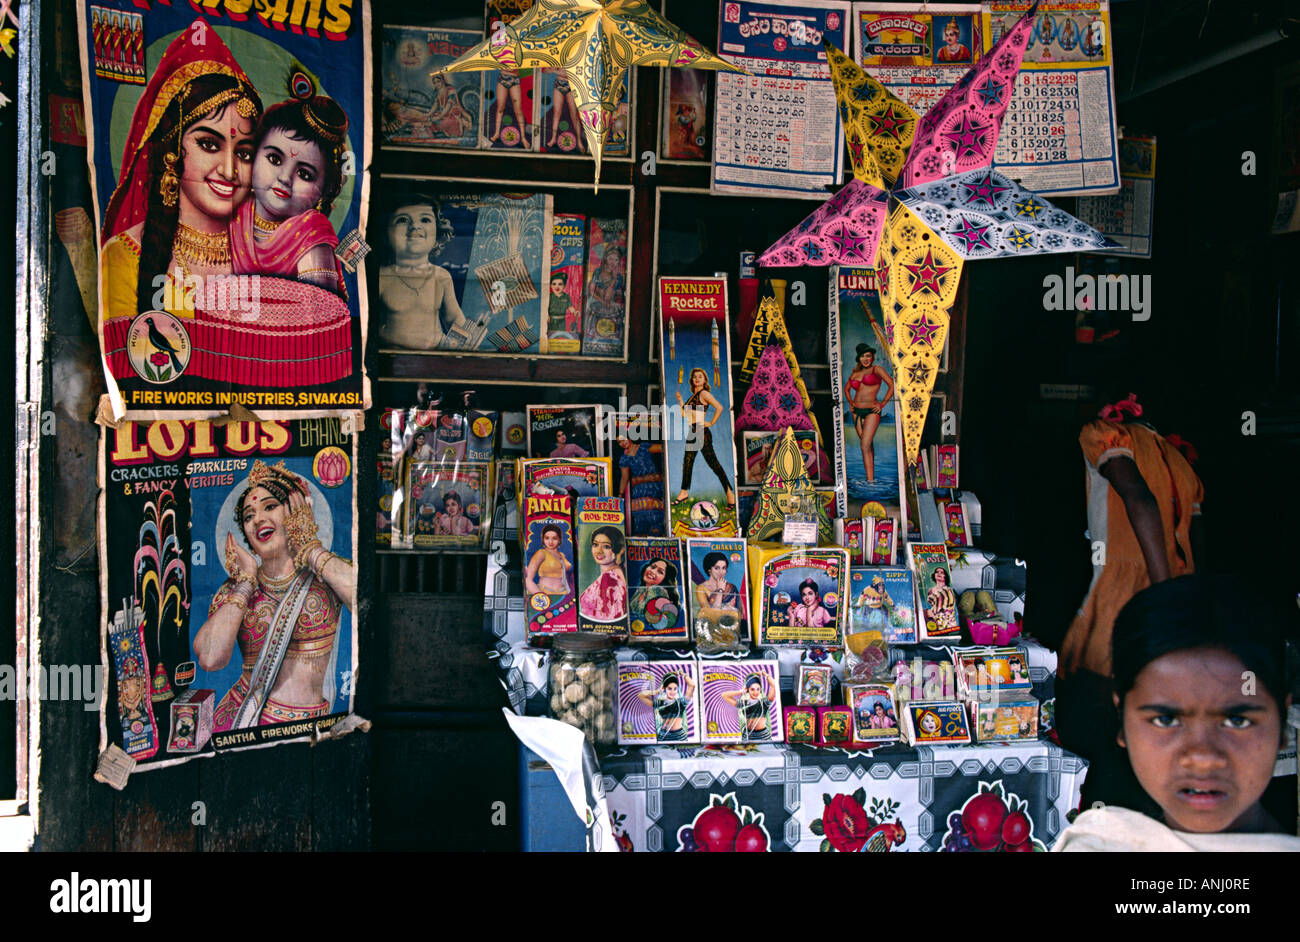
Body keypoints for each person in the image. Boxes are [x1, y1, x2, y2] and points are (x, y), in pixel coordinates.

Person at [1053, 576, 1300, 851]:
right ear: (1122, 719)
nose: (1202, 759)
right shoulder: (1096, 845)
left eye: (1237, 721)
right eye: (1166, 720)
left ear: (1282, 723)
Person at [1056, 394, 1204, 795]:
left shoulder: (1105, 434)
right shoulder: (1179, 458)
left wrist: (1161, 594)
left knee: (1100, 724)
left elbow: (1138, 497)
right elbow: (1196, 538)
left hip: (1125, 593)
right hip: (1181, 592)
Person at [98, 24, 263, 374]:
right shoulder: (125, 256)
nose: (230, 170)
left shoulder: (275, 255)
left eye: (245, 153)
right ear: (172, 152)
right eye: (209, 144)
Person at [195, 460, 353, 730]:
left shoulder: (326, 574)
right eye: (248, 516)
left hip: (307, 725)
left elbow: (365, 602)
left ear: (296, 512)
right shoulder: (236, 588)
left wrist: (311, 548)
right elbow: (210, 659)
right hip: (242, 721)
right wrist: (246, 582)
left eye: (269, 507)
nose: (258, 519)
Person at [229, 94, 349, 296]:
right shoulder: (234, 213)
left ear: (325, 190)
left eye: (304, 174)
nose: (284, 178)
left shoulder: (311, 235)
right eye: (274, 159)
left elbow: (320, 309)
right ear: (253, 155)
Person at [378, 197, 469, 350]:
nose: (415, 226)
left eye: (425, 220)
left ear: (437, 232)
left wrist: (464, 347)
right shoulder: (382, 276)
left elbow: (454, 317)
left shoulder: (441, 276)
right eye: (402, 220)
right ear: (386, 233)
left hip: (434, 356)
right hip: (392, 355)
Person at [675, 368, 736, 505]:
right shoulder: (693, 396)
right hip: (693, 431)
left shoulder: (704, 394)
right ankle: (684, 492)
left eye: (700, 377)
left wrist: (711, 423)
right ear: (692, 380)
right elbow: (685, 415)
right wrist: (680, 401)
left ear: (704, 380)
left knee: (713, 463)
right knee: (688, 462)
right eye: (695, 377)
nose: (697, 379)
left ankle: (729, 493)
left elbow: (719, 407)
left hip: (701, 431)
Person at [845, 344, 894, 484]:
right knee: (867, 445)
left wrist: (882, 404)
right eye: (862, 356)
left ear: (872, 357)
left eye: (868, 356)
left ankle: (870, 481)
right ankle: (870, 480)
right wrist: (851, 403)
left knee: (864, 445)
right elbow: (847, 389)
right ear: (858, 358)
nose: (865, 359)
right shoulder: (855, 374)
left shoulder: (876, 369)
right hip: (856, 412)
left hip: (872, 411)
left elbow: (892, 385)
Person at [616, 428, 665, 536]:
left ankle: (657, 538)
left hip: (654, 486)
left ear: (629, 437)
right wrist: (620, 494)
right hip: (639, 490)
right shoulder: (624, 458)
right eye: (619, 442)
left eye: (623, 439)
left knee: (656, 514)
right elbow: (624, 478)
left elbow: (665, 448)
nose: (622, 443)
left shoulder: (643, 447)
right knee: (641, 519)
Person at [579, 526, 627, 621]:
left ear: (618, 549)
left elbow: (611, 617)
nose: (599, 551)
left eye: (606, 546)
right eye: (595, 545)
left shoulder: (610, 577)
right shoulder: (612, 574)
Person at [721, 673, 776, 742]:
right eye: (752, 689)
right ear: (748, 690)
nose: (755, 692)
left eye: (758, 689)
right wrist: (741, 692)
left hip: (763, 735)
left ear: (760, 690)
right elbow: (724, 695)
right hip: (748, 735)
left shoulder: (764, 703)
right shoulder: (743, 703)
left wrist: (765, 674)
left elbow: (773, 685)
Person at [640, 673, 694, 741]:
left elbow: (692, 685)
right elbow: (641, 696)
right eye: (669, 688)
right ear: (664, 688)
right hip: (664, 736)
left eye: (675, 689)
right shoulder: (660, 703)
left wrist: (682, 674)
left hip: (680, 736)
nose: (672, 692)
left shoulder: (681, 703)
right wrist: (657, 691)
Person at [524, 523, 572, 596]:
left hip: (563, 594)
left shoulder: (562, 555)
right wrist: (541, 596)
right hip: (545, 593)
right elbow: (527, 580)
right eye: (547, 538)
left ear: (559, 539)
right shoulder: (541, 553)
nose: (550, 542)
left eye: (554, 538)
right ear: (543, 539)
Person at [629, 558, 679, 627]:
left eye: (660, 572)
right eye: (652, 567)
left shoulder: (657, 590)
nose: (652, 571)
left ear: (665, 578)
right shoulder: (641, 590)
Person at [546, 68, 585, 152]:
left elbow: (569, 73)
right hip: (559, 83)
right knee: (556, 114)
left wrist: (554, 71)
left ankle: (579, 141)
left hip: (570, 84)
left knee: (574, 115)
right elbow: (549, 69)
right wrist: (552, 70)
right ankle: (553, 138)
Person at [926, 566, 958, 632]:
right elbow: (931, 607)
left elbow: (950, 609)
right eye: (937, 572)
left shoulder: (949, 590)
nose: (939, 573)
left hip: (949, 622)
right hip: (936, 622)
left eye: (942, 572)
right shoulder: (930, 590)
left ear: (945, 576)